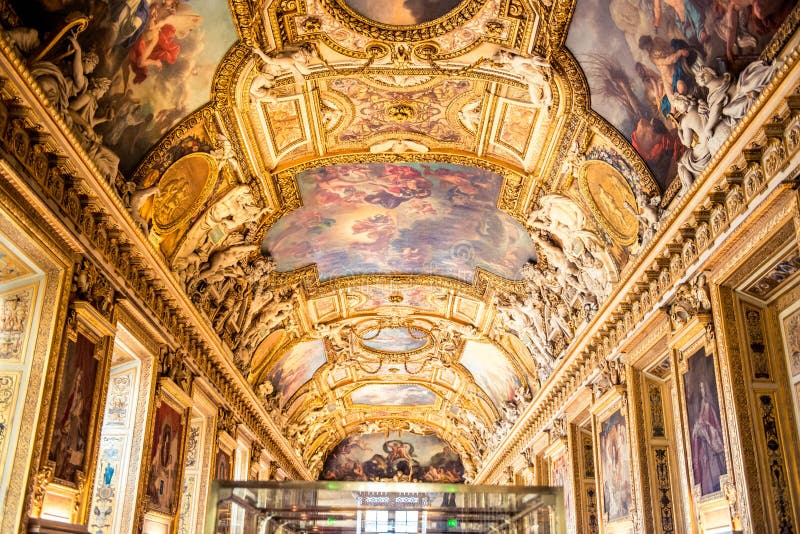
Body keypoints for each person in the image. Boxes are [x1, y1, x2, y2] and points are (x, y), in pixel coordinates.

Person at [691, 381, 726, 494]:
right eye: (700, 388)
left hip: (710, 443)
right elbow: (701, 421)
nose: (702, 390)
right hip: (705, 443)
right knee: (706, 468)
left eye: (703, 388)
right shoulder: (703, 404)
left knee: (713, 469)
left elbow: (711, 424)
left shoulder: (708, 405)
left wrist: (702, 427)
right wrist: (698, 427)